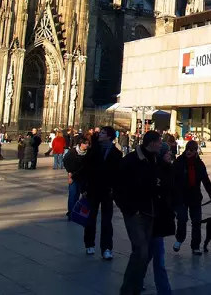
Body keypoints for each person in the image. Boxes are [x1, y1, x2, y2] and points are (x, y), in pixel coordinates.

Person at [115, 130, 163, 295]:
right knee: (141, 251)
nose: (161, 144)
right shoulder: (131, 160)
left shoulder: (155, 160)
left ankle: (135, 286)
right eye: (159, 142)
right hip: (135, 212)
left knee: (146, 252)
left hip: (149, 212)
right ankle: (127, 289)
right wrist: (128, 208)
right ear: (151, 143)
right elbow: (117, 186)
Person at [172, 140, 211, 255]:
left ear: (195, 151)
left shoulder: (199, 164)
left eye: (191, 150)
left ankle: (195, 246)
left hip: (195, 198)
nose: (188, 152)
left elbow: (206, 181)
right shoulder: (179, 162)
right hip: (181, 197)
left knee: (196, 222)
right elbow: (172, 180)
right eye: (187, 149)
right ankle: (180, 239)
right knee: (182, 220)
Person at [82, 126, 123, 260]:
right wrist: (84, 188)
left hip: (107, 191)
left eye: (104, 133)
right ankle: (89, 243)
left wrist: (115, 190)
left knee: (107, 220)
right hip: (93, 189)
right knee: (90, 217)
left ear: (110, 136)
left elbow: (118, 174)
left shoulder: (116, 153)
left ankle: (106, 248)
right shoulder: (94, 150)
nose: (100, 134)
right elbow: (86, 169)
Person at [146, 143, 174, 295]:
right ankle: (164, 290)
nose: (170, 155)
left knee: (151, 254)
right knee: (157, 257)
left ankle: (138, 278)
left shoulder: (169, 169)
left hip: (161, 218)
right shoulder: (155, 172)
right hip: (153, 218)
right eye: (168, 153)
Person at [64, 135, 90, 219]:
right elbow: (66, 163)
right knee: (73, 195)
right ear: (80, 144)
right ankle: (71, 212)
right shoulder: (72, 152)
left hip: (84, 177)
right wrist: (70, 175)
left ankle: (79, 212)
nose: (87, 145)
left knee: (83, 195)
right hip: (74, 176)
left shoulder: (88, 153)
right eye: (85, 144)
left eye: (88, 144)